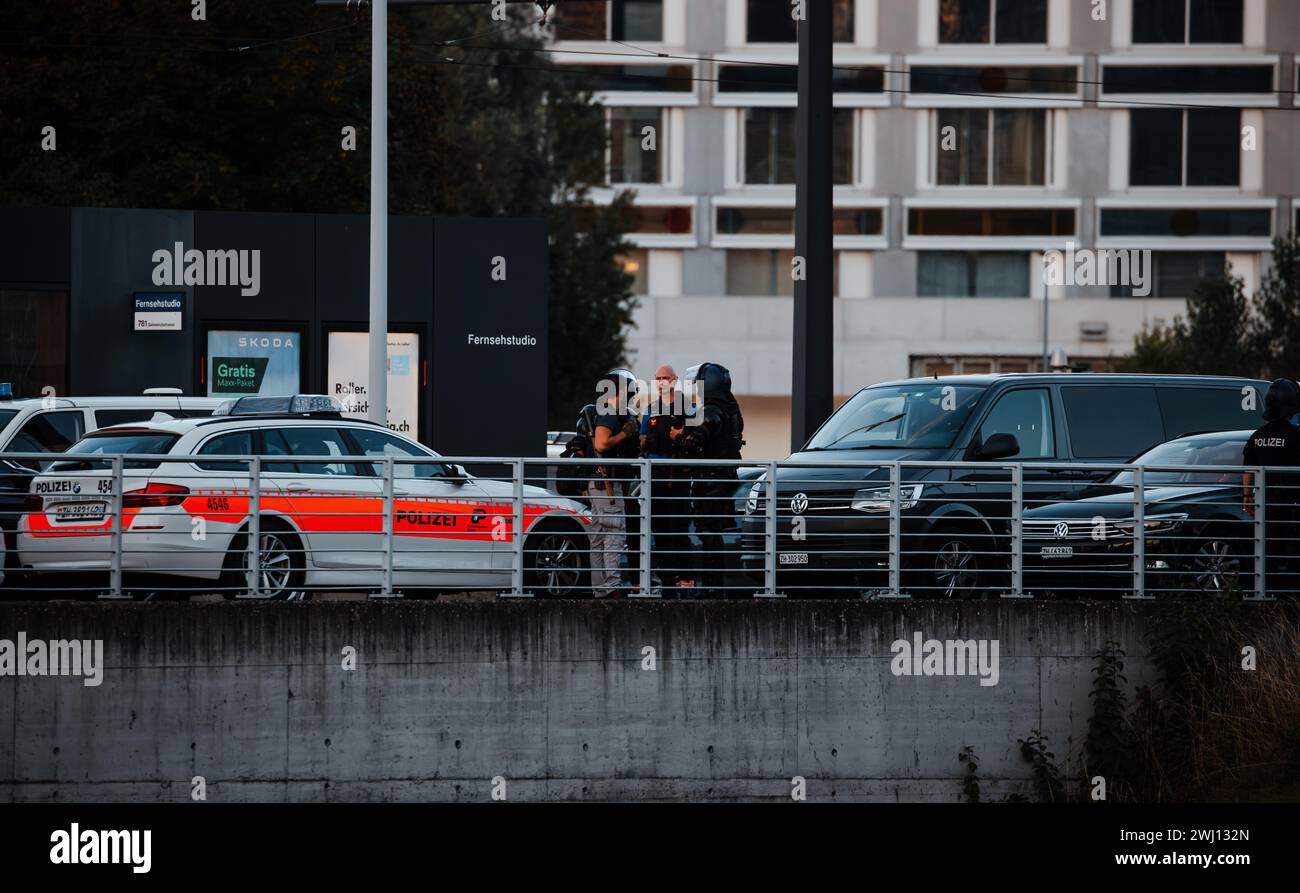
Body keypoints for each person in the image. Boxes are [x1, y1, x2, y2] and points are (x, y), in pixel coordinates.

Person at [678, 362, 745, 598]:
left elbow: (691, 445)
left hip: (710, 480)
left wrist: (680, 436)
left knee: (707, 533)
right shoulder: (731, 408)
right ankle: (714, 586)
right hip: (726, 477)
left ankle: (710, 588)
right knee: (713, 533)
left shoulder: (710, 411)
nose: (696, 390)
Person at [1242, 378, 1300, 597]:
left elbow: (1247, 471)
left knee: (1268, 552)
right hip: (1292, 507)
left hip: (1266, 506)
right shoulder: (1296, 436)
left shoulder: (1258, 436)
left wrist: (1247, 497)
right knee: (1291, 554)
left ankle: (1268, 594)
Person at [591, 369, 641, 596]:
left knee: (600, 535)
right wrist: (624, 434)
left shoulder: (606, 410)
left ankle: (601, 588)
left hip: (603, 482)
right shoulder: (610, 412)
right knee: (614, 533)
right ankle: (611, 586)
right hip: (608, 483)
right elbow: (601, 444)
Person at [641, 366, 690, 591]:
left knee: (678, 530)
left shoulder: (688, 408)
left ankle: (686, 581)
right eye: (658, 378)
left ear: (675, 380)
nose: (661, 382)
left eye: (666, 378)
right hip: (657, 477)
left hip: (678, 476)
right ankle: (667, 583)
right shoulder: (651, 409)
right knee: (659, 531)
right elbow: (643, 438)